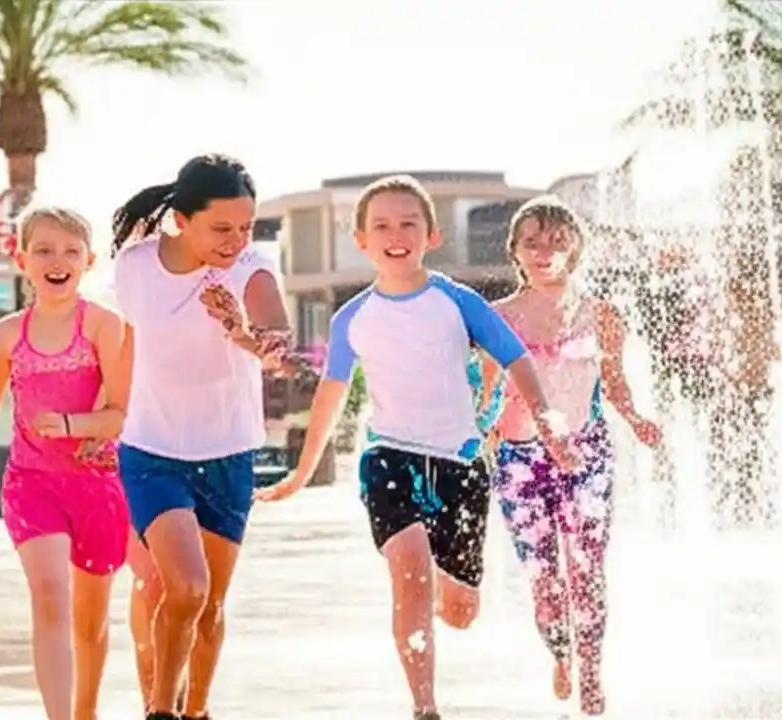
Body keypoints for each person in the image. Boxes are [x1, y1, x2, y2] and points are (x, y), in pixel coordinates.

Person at [256, 175, 577, 720]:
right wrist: (301, 472)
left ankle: (435, 594)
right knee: (408, 569)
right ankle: (424, 707)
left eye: (408, 223)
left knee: (460, 612)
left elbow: (517, 357)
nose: (395, 233)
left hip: (462, 465)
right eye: (381, 225)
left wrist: (547, 421)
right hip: (390, 459)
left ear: (431, 236)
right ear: (361, 239)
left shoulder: (457, 301)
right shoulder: (351, 318)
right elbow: (331, 399)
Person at [110, 153, 297, 720]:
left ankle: (198, 711)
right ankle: (160, 710)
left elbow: (278, 347)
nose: (236, 240)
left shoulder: (252, 268)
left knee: (210, 605)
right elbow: (132, 343)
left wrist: (242, 332)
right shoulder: (134, 265)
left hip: (228, 454)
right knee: (186, 588)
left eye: (245, 226)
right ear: (182, 220)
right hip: (151, 451)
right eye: (221, 228)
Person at [0, 206, 130, 720]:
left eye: (70, 251)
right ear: (23, 259)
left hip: (97, 485)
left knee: (90, 622)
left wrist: (71, 425)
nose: (57, 260)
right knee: (49, 595)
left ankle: (84, 711)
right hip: (31, 483)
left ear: (88, 261)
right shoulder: (6, 335)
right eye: (43, 249)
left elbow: (120, 415)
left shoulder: (106, 327)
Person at [480, 196, 661, 715]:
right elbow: (488, 396)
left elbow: (615, 385)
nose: (544, 251)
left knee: (586, 568)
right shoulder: (498, 318)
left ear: (576, 250)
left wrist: (637, 419)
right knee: (543, 578)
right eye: (532, 242)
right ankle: (560, 652)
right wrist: (478, 436)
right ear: (514, 250)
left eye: (557, 242)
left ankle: (593, 669)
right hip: (521, 460)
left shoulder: (600, 314)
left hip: (586, 456)